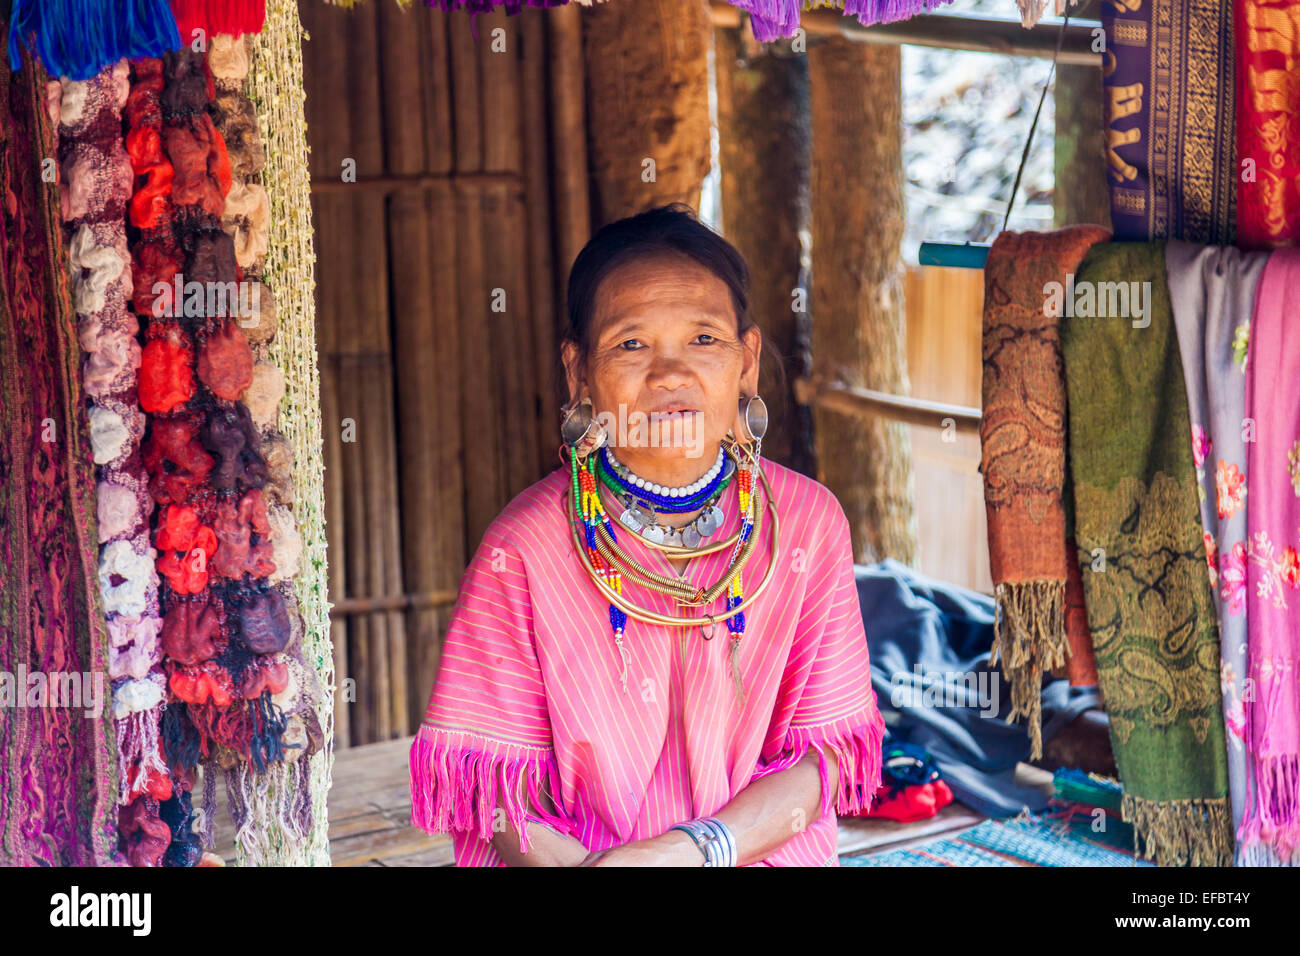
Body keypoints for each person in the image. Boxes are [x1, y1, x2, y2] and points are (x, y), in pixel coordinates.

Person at [409, 203, 885, 866]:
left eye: (703, 339)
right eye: (631, 344)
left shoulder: (807, 523)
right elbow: (489, 793)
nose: (670, 375)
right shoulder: (524, 548)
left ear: (746, 362)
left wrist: (696, 850)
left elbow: (823, 761)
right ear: (580, 372)